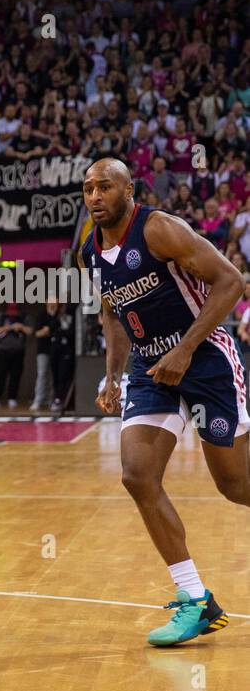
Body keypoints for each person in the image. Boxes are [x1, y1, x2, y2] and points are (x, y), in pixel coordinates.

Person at [84, 158, 248, 646]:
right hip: (150, 370)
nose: (95, 196)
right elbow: (112, 316)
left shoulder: (160, 230)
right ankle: (196, 599)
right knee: (137, 474)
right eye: (88, 188)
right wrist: (112, 376)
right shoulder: (89, 251)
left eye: (105, 187)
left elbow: (232, 282)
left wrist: (184, 349)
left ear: (129, 190)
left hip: (205, 360)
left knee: (237, 486)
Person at [0, 302, 31, 409]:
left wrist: (21, 327)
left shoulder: (23, 316)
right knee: (0, 375)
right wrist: (9, 327)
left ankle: (12, 398)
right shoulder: (2, 315)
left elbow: (31, 331)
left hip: (18, 350)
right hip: (3, 350)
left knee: (15, 375)